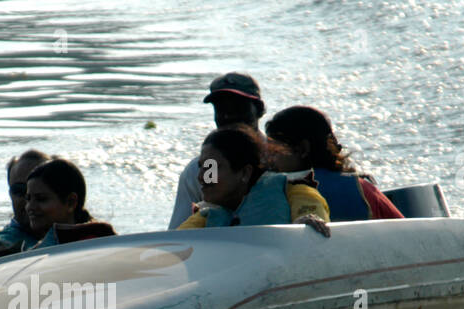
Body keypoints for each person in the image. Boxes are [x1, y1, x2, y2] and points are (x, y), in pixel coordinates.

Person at [176, 125, 331, 235]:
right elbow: (174, 247)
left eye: (212, 168)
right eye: (202, 167)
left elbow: (316, 223)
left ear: (245, 172)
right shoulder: (206, 217)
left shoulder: (296, 193)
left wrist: (303, 229)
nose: (201, 177)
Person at [263, 106, 403, 220]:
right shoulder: (362, 189)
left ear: (302, 149)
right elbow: (405, 232)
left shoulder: (276, 192)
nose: (267, 159)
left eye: (274, 151)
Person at [167, 73, 266, 229]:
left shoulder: (281, 161)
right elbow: (178, 237)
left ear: (260, 110)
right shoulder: (207, 166)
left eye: (238, 107)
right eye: (221, 108)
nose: (228, 115)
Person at [23, 158, 115, 250]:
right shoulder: (31, 249)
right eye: (28, 199)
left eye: (41, 199)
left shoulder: (97, 243)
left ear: (71, 202)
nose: (30, 207)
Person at [0, 150, 48, 259]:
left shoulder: (74, 239)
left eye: (40, 195)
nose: (29, 201)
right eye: (20, 190)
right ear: (10, 194)